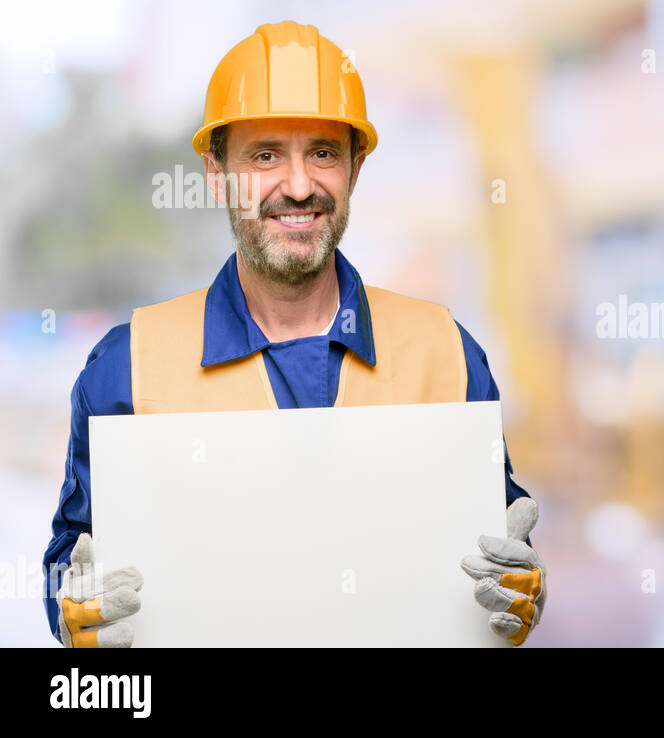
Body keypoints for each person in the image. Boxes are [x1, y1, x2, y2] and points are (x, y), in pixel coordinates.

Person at [41, 20, 546, 648]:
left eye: (324, 153)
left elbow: (500, 545)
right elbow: (71, 554)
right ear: (215, 170)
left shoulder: (445, 351)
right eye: (265, 155)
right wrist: (74, 613)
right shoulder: (128, 365)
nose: (300, 185)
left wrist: (521, 584)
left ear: (356, 169)